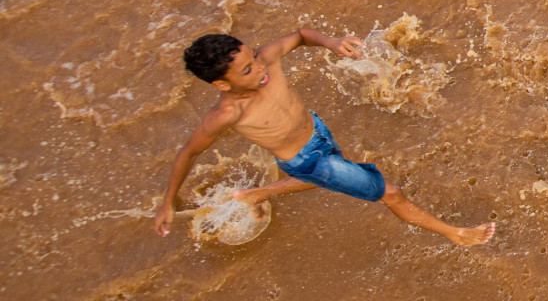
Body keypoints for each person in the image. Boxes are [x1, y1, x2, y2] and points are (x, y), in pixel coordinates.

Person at [153, 29, 495, 246]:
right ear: (222, 85)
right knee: (391, 192)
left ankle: (253, 196)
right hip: (306, 160)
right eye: (247, 71)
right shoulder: (227, 114)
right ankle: (456, 234)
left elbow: (301, 35)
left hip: (316, 131)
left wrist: (332, 43)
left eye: (253, 59)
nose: (260, 69)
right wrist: (168, 201)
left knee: (332, 172)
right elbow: (187, 153)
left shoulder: (267, 59)